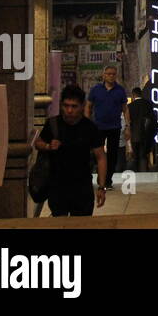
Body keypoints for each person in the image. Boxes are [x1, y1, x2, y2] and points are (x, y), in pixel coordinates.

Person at [36, 85, 108, 217]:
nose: (69, 110)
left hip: (82, 187)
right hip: (57, 186)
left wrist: (102, 186)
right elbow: (37, 143)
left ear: (82, 106)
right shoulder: (53, 124)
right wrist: (48, 146)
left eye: (74, 106)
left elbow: (101, 157)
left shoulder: (89, 128)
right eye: (66, 105)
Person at [86, 64, 129, 180]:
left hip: (114, 127)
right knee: (97, 152)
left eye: (113, 74)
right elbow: (88, 106)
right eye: (108, 74)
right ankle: (100, 174)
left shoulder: (120, 90)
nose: (111, 76)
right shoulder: (96, 90)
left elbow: (125, 109)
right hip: (98, 126)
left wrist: (128, 126)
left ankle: (107, 179)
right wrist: (86, 122)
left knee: (113, 155)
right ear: (104, 75)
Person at [127, 87, 151, 172]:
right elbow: (151, 119)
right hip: (145, 134)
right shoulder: (148, 104)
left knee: (136, 156)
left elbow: (128, 121)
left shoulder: (130, 106)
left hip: (134, 135)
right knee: (144, 155)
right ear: (141, 94)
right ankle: (144, 171)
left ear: (133, 95)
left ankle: (137, 172)